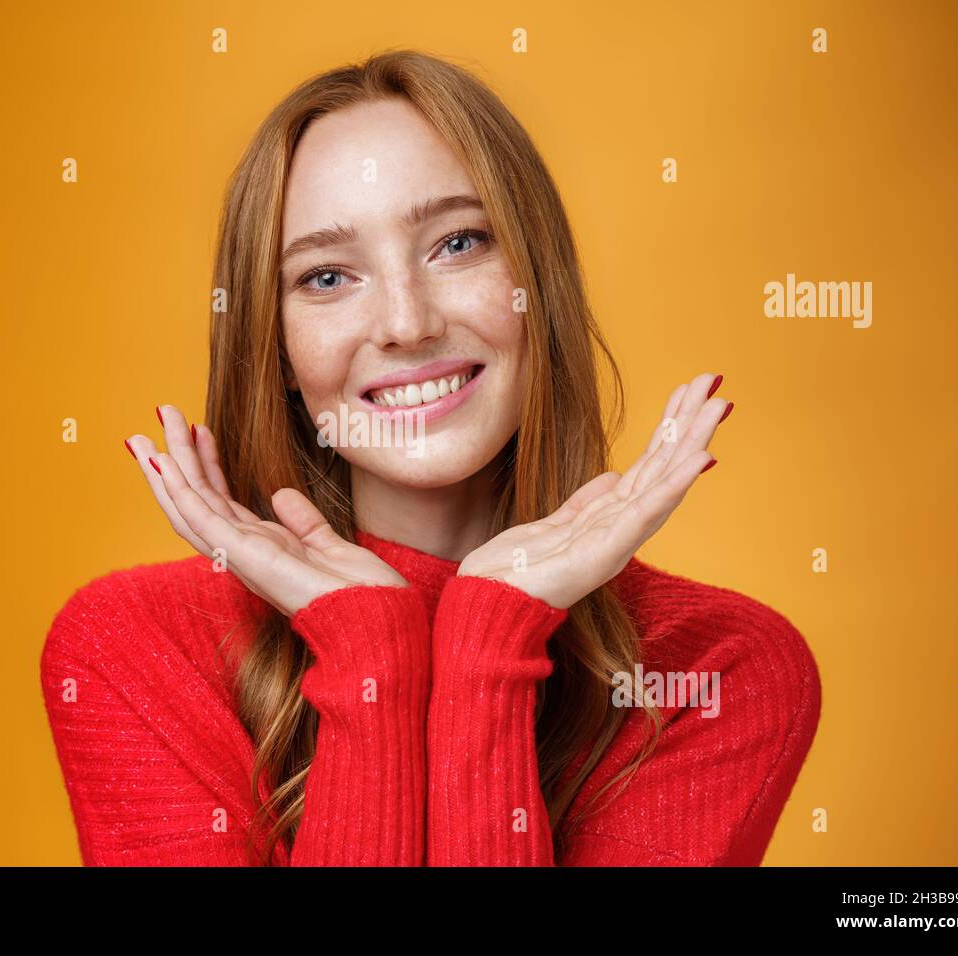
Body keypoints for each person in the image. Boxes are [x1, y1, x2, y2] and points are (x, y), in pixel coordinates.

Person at [40, 49, 821, 866]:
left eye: (457, 243)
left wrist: (490, 638)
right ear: (276, 352)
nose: (407, 324)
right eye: (328, 276)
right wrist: (369, 648)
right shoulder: (134, 650)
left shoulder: (714, 670)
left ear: (538, 284)